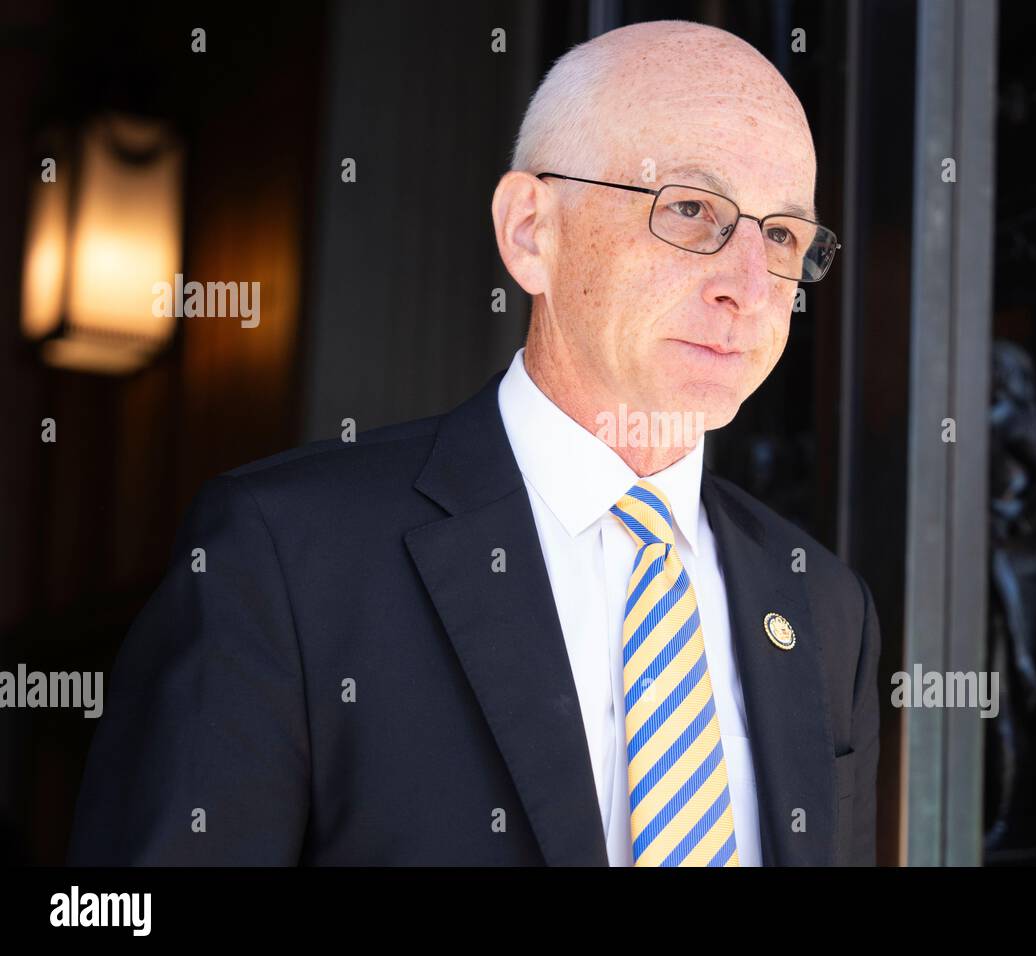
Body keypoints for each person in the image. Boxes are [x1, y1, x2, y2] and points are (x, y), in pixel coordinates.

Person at [68, 19, 880, 867]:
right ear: (532, 229)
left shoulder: (825, 608)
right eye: (689, 209)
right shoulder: (284, 556)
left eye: (783, 234)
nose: (749, 286)